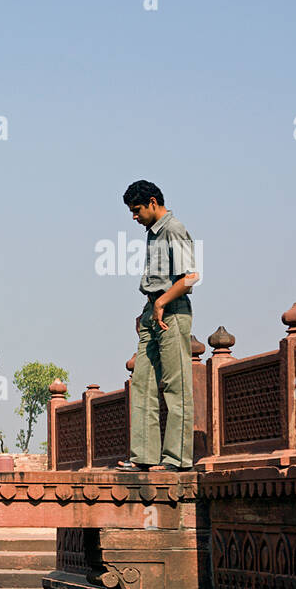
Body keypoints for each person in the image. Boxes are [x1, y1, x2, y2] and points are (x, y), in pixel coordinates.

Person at [116, 180, 198, 472]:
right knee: (142, 381)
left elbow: (190, 277)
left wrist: (161, 303)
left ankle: (177, 460)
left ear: (153, 202)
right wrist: (149, 309)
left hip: (172, 312)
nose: (134, 217)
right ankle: (145, 456)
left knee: (175, 386)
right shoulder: (153, 233)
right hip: (155, 310)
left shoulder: (173, 229)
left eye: (136, 210)